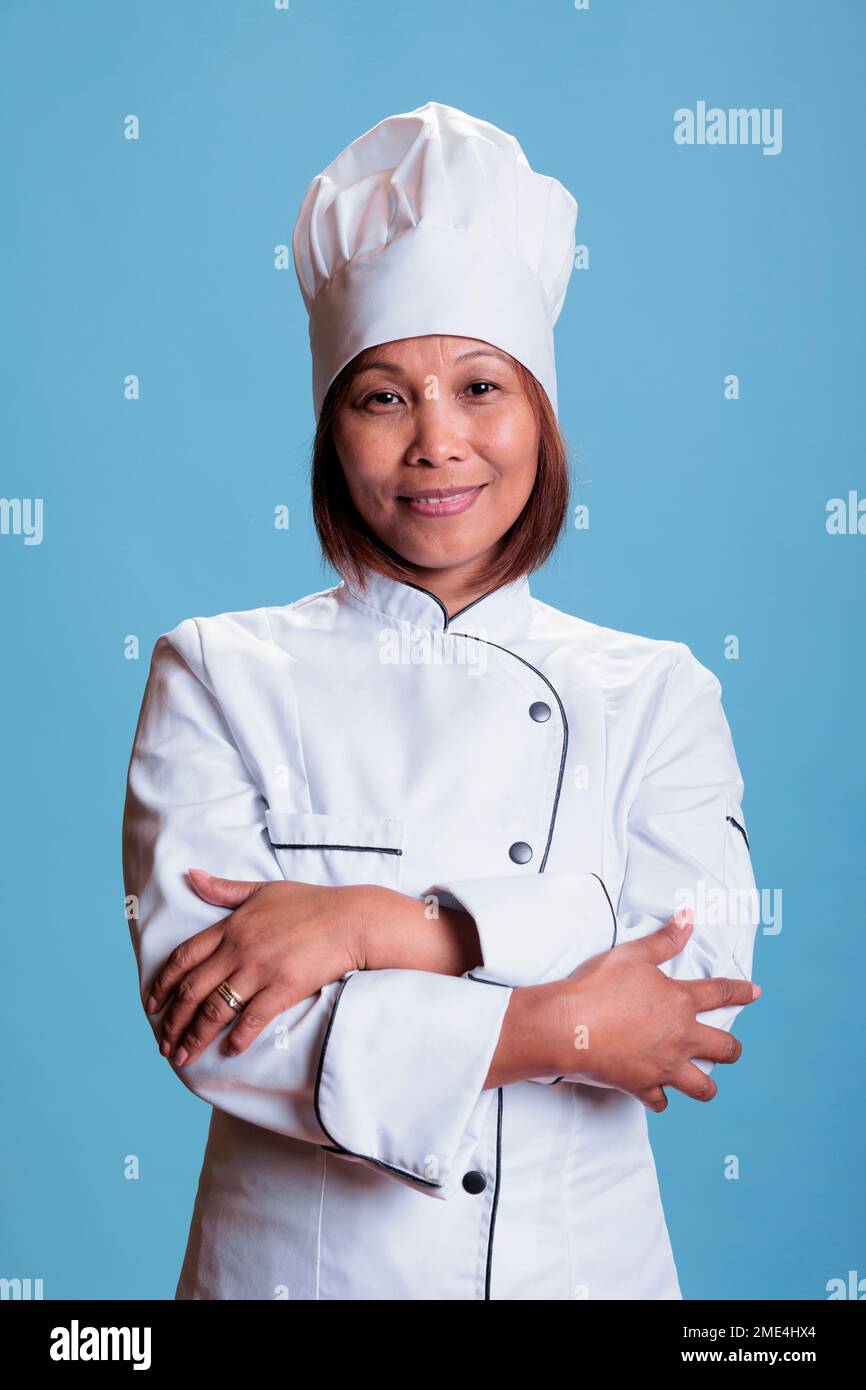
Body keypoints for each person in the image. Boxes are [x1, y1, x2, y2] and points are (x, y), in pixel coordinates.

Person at [122, 101, 761, 1301]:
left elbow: (686, 986)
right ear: (330, 426)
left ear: (539, 418)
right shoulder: (215, 670)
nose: (437, 444)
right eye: (382, 397)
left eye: (479, 387)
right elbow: (217, 1026)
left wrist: (371, 925)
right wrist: (548, 1025)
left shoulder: (657, 688)